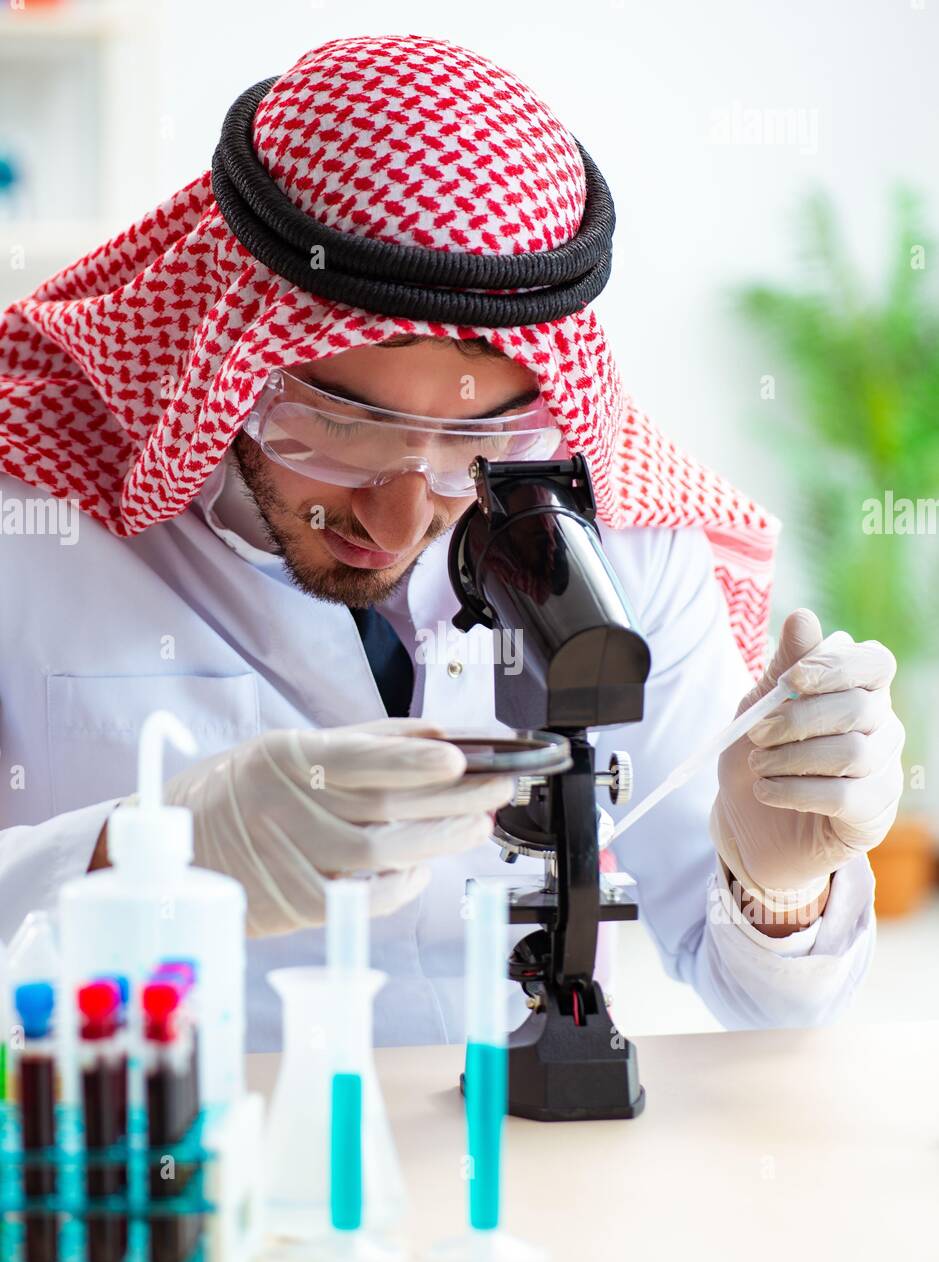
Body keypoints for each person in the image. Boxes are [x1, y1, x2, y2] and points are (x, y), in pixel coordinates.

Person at [0, 35, 904, 1047]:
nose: (396, 518)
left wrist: (781, 884)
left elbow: (769, 1000)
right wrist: (152, 853)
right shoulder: (30, 521)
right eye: (335, 430)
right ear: (230, 356)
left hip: (521, 1180)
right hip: (167, 1158)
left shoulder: (615, 531)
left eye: (475, 441)